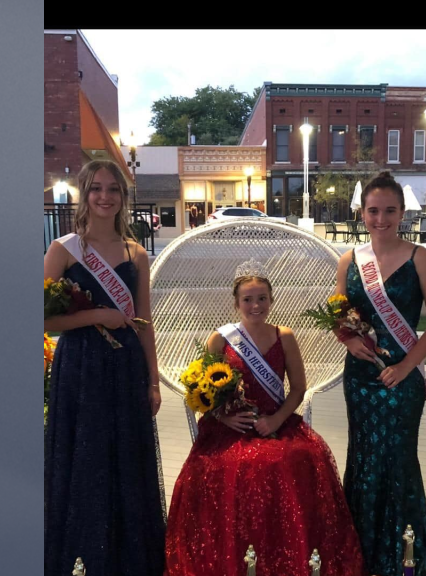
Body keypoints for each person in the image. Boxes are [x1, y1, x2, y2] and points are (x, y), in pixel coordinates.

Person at [165, 261, 364, 576]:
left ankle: (292, 554)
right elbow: (200, 391)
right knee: (231, 465)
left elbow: (298, 389)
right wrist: (224, 417)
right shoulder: (221, 339)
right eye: (248, 299)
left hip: (277, 420)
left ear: (272, 301)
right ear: (236, 303)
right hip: (230, 426)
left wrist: (275, 420)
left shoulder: (284, 336)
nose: (255, 305)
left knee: (299, 457)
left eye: (262, 299)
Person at [43, 159, 165, 576]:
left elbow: (144, 322)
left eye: (113, 189)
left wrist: (153, 380)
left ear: (123, 197)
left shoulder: (135, 254)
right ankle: (82, 555)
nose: (105, 197)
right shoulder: (63, 250)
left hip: (127, 367)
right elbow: (41, 319)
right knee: (85, 457)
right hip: (80, 369)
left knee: (125, 458)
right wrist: (96, 316)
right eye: (96, 188)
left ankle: (126, 555)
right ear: (84, 193)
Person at [334, 171, 426, 575]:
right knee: (363, 458)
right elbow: (339, 318)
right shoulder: (350, 260)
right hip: (360, 379)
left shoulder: (421, 259)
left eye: (390, 211)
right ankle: (359, 546)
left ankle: (403, 550)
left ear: (402, 213)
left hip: (401, 379)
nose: (381, 218)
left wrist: (404, 366)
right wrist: (348, 341)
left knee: (397, 461)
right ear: (362, 213)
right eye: (373, 210)